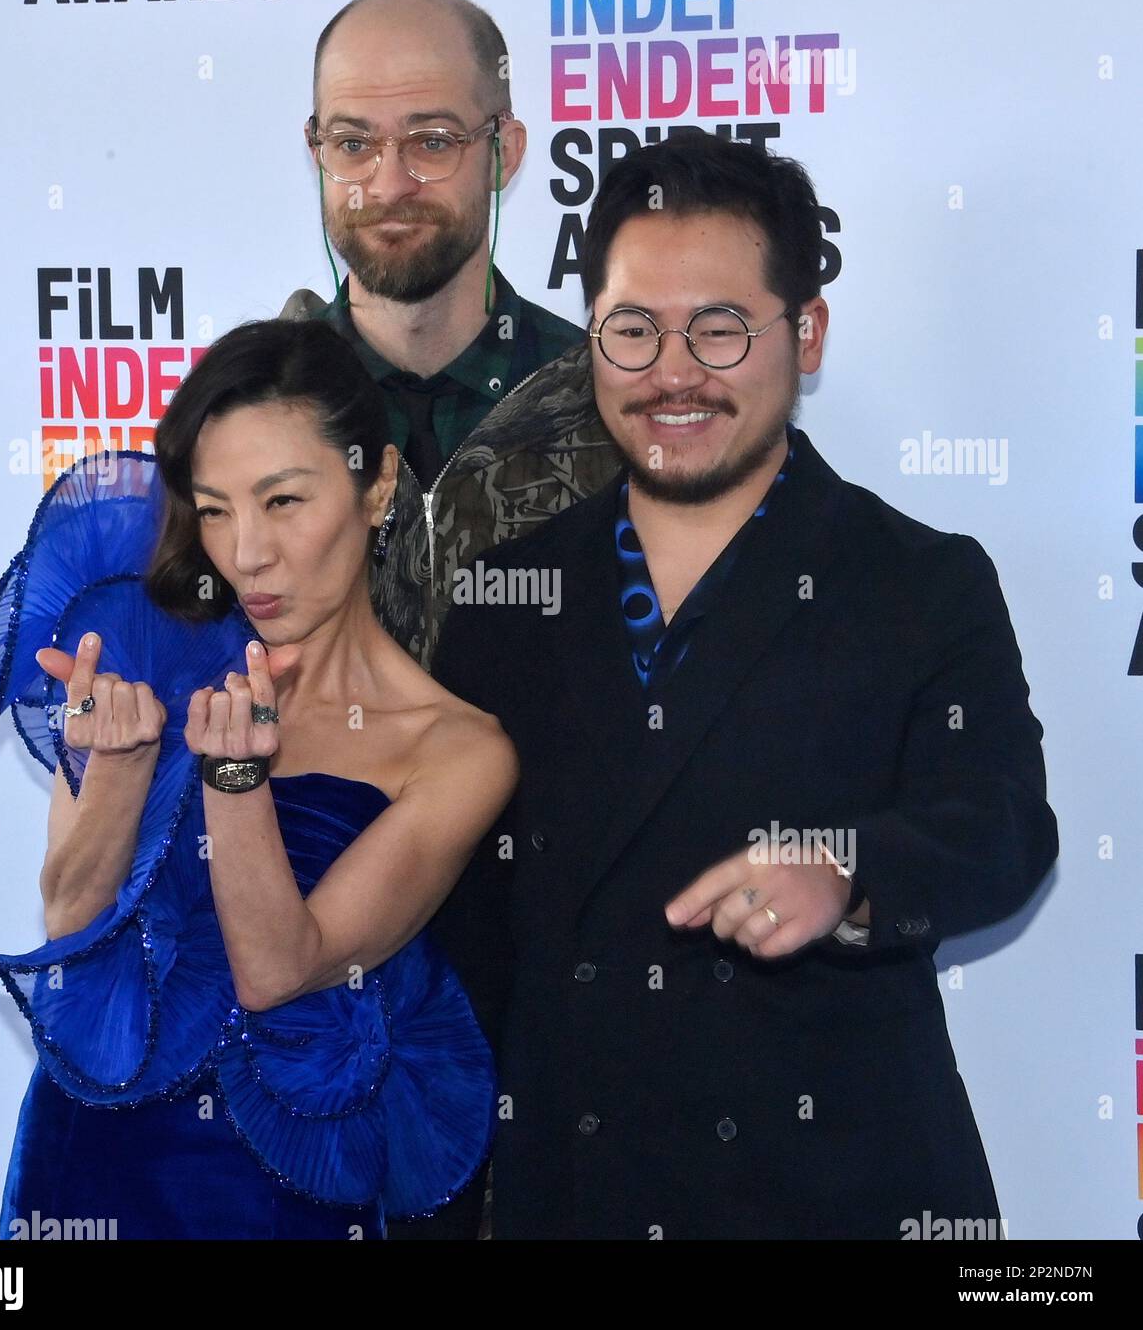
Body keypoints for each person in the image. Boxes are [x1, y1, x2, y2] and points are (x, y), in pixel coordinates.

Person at [426, 130, 1060, 1238]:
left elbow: (1003, 829)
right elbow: (463, 935)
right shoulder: (498, 598)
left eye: (719, 328)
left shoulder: (918, 579)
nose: (673, 372)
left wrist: (842, 871)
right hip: (573, 1197)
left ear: (802, 333)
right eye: (632, 330)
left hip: (837, 1191)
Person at [0, 318, 517, 1239]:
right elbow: (69, 917)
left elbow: (279, 970)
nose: (246, 553)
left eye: (283, 501)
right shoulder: (152, 653)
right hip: (91, 1162)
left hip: (279, 1197)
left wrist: (231, 776)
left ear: (375, 485)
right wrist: (124, 762)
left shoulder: (456, 751)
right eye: (214, 508)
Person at [282, 0, 622, 670]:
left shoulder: (613, 404)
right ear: (314, 148)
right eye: (352, 143)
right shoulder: (248, 404)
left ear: (507, 150)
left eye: (431, 142)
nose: (386, 185)